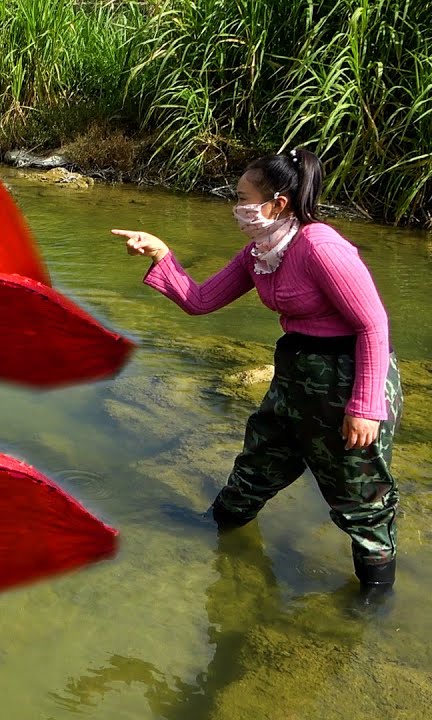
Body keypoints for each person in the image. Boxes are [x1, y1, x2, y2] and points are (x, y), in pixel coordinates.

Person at [112, 147, 404, 606]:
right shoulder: (260, 253)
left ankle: (374, 596)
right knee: (257, 465)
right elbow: (200, 300)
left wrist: (365, 408)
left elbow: (373, 325)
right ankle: (217, 535)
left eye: (243, 197)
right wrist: (161, 253)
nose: (237, 207)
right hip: (296, 374)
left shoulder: (321, 247)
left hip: (348, 376)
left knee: (359, 492)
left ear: (279, 204)